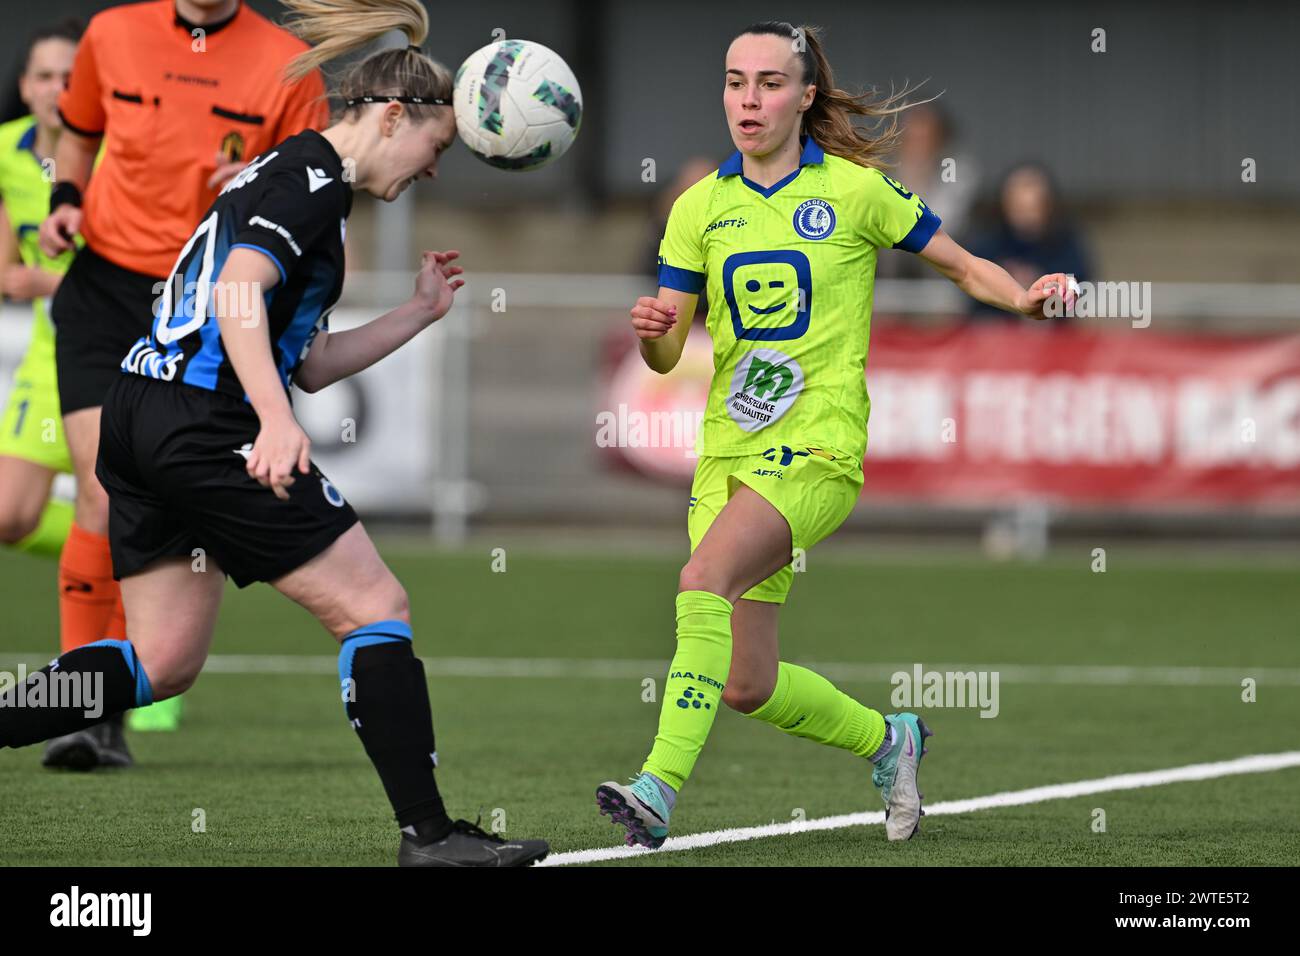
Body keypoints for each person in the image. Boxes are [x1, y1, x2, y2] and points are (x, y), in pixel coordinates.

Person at [1, 0, 550, 867]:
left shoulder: (296, 178)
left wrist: (414, 314)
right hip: (200, 424)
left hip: (142, 413)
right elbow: (236, 294)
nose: (434, 172)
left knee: (162, 661)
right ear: (392, 116)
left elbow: (313, 359)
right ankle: (431, 837)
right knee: (377, 609)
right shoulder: (309, 183)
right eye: (437, 149)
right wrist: (269, 421)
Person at [597, 20, 1077, 848]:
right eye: (735, 80)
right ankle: (888, 740)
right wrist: (652, 332)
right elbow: (672, 344)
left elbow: (962, 264)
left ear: (805, 95)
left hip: (819, 447)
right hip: (728, 454)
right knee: (746, 682)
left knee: (701, 579)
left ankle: (657, 788)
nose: (748, 99)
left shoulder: (856, 192)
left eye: (770, 83)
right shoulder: (698, 209)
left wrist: (1023, 298)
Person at [36, 0, 330, 762]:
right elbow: (78, 133)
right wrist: (65, 199)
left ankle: (120, 693)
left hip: (205, 304)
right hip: (105, 286)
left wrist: (256, 186)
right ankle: (79, 715)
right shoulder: (112, 32)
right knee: (98, 491)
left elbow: (321, 185)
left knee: (164, 513)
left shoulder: (287, 63)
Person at [0, 20, 82, 567]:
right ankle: (137, 546)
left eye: (72, 76)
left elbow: (158, 275)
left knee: (110, 502)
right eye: (45, 75)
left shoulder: (120, 156)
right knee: (9, 515)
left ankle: (139, 548)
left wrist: (48, 281)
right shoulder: (6, 151)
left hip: (127, 357)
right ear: (25, 85)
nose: (57, 88)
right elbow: (8, 268)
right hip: (50, 359)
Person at [966, 161, 1091, 322]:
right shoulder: (987, 244)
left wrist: (1040, 281)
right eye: (1019, 208)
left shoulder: (1065, 243)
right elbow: (972, 289)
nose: (1026, 217)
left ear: (1047, 206)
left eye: (1033, 208)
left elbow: (1081, 286)